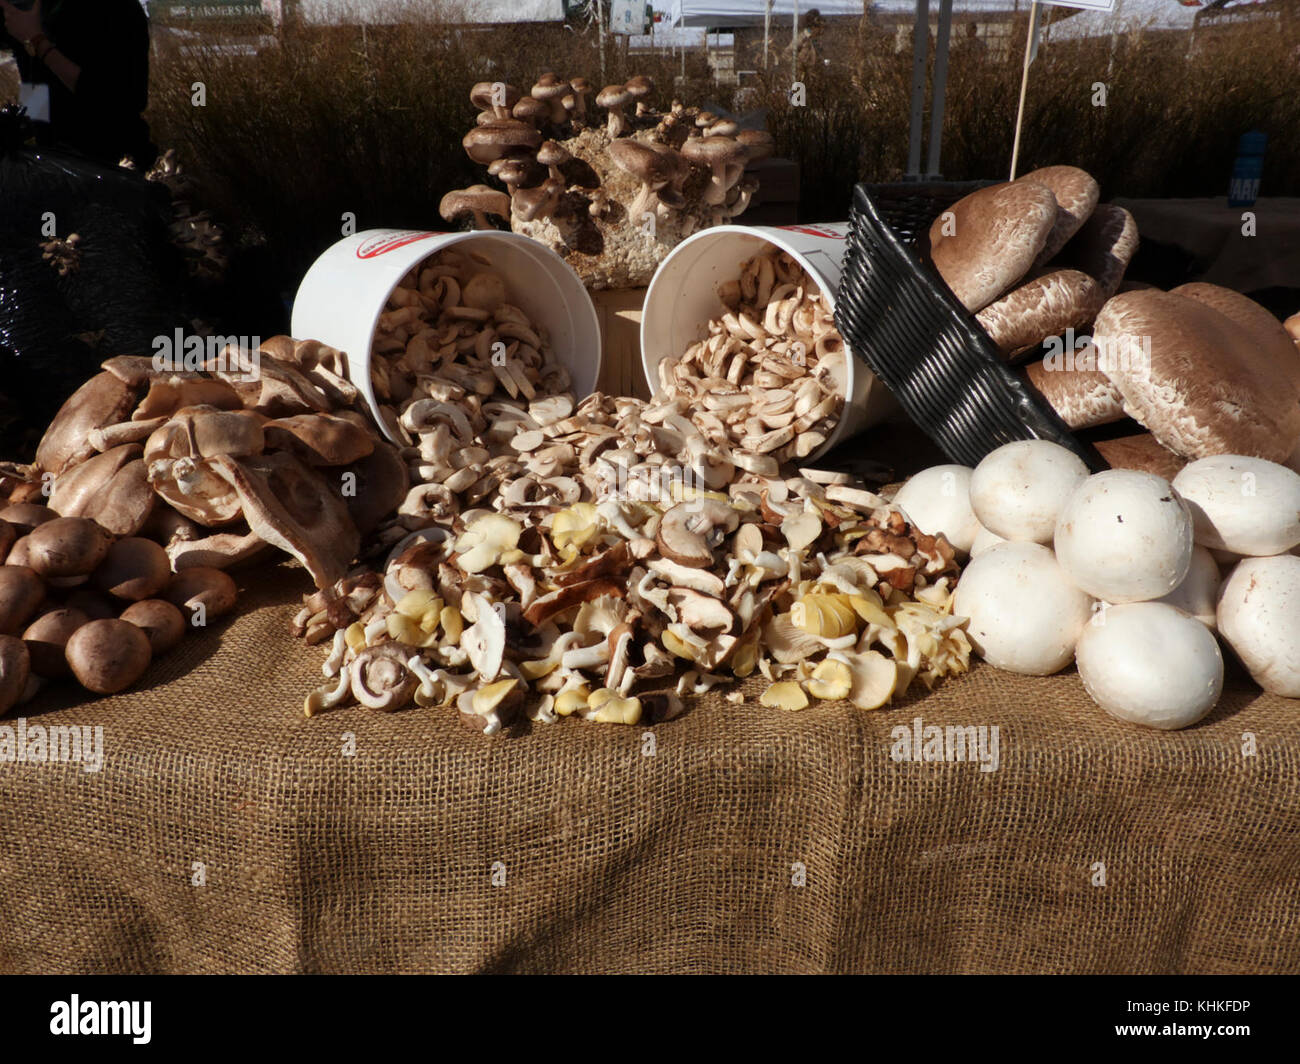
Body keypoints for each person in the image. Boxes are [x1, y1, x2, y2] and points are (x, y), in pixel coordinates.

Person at [1, 0, 156, 167]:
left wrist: (37, 41)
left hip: (104, 161)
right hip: (52, 159)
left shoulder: (117, 10)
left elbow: (111, 98)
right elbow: (34, 75)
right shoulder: (40, 7)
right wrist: (32, 126)